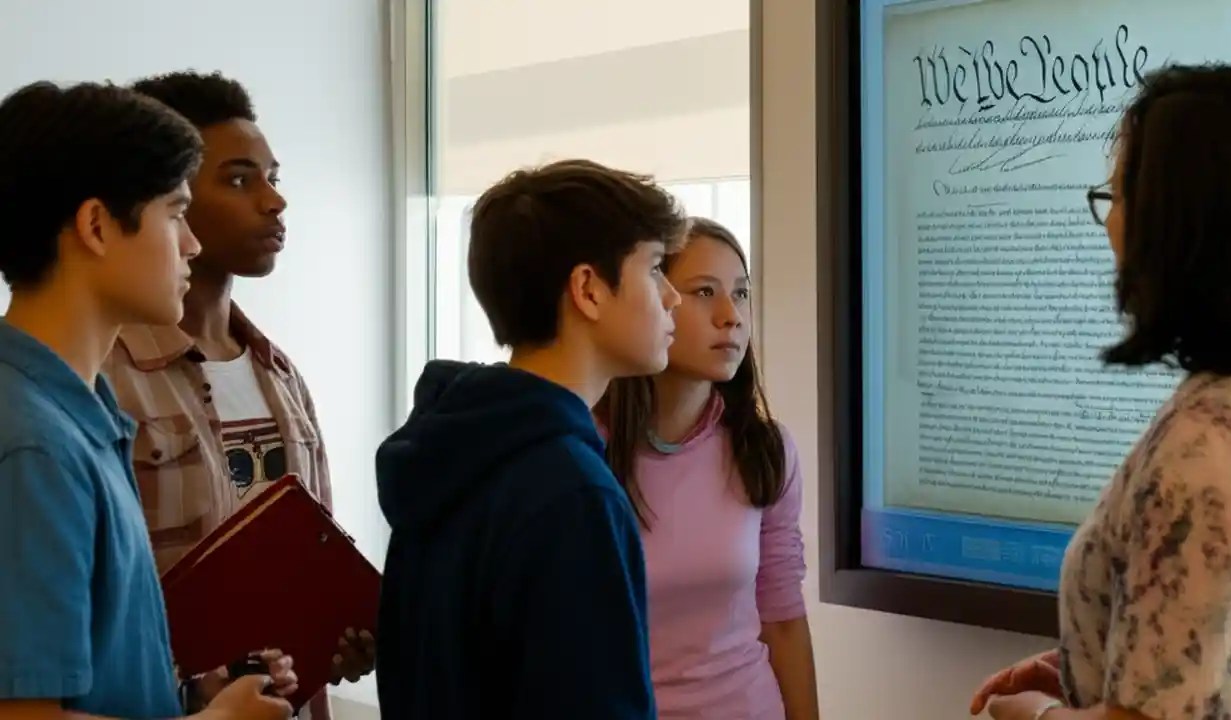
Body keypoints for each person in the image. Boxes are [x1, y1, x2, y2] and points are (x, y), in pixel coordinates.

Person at [970, 64, 1231, 720]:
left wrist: (1032, 715)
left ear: (1180, 226)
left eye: (1116, 194)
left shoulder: (1210, 450)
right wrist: (1093, 663)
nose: (1109, 226)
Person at [0, 80, 295, 720]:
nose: (190, 244)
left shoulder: (84, 410)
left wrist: (187, 699)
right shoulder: (31, 445)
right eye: (173, 212)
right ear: (98, 226)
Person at [99, 71, 373, 720]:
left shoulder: (281, 375)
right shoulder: (105, 378)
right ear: (168, 194)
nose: (274, 202)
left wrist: (339, 635)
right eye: (241, 179)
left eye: (274, 178)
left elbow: (314, 556)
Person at [375, 158, 685, 718]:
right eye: (655, 268)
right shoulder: (570, 490)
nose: (672, 298)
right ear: (588, 289)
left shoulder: (446, 452)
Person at [597, 218, 819, 719]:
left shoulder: (764, 449)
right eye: (704, 292)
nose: (731, 316)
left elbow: (783, 617)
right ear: (655, 301)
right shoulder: (585, 452)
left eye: (741, 294)